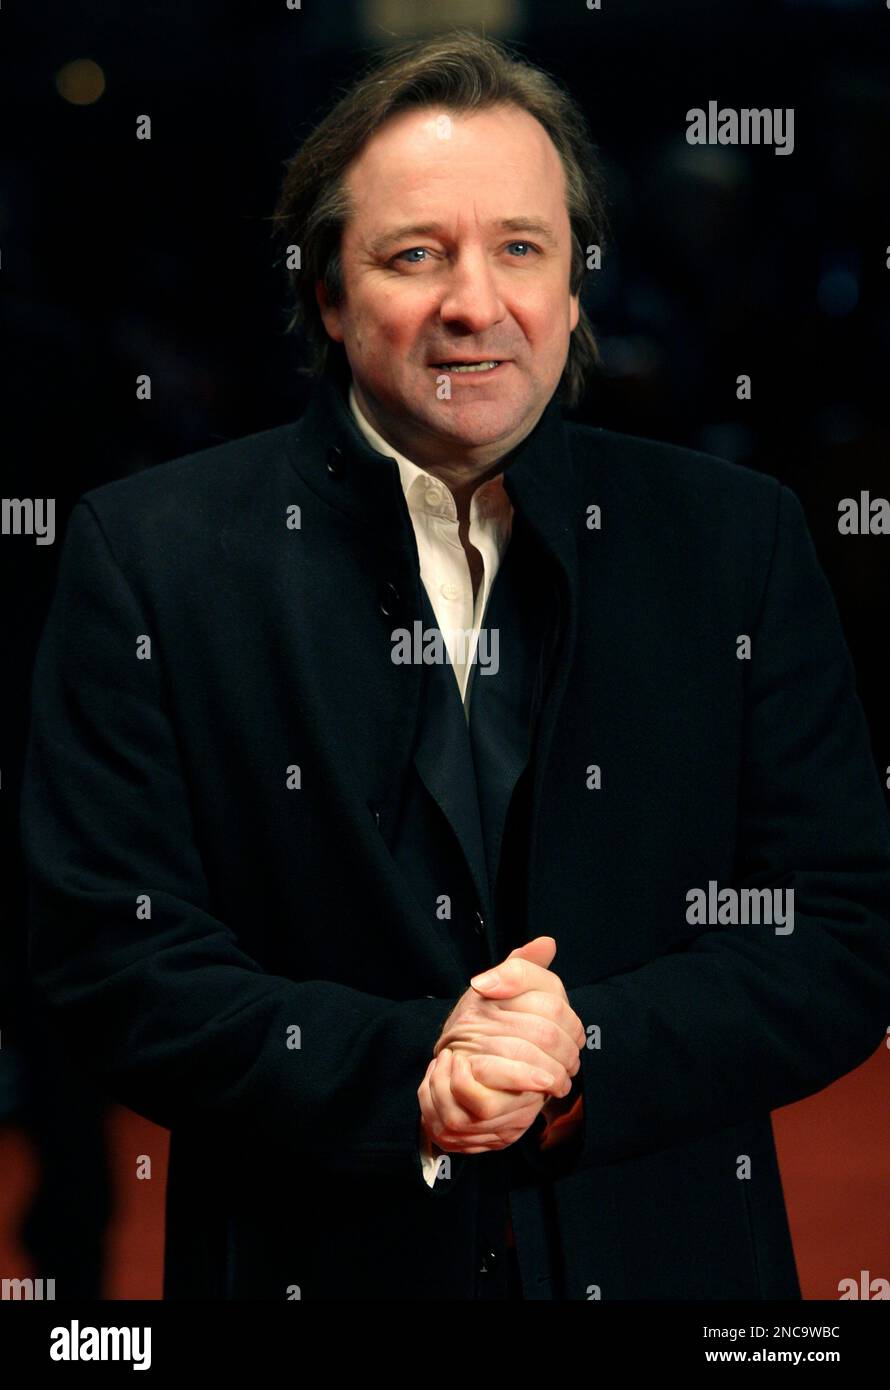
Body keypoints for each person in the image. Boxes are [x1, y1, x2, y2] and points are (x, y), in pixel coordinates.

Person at [21, 30, 890, 1301]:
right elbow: (110, 956)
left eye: (520, 248)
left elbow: (841, 930)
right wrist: (414, 1070)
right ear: (328, 293)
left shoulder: (735, 539)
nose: (475, 302)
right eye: (415, 253)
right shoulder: (150, 556)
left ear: (576, 286)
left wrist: (586, 1046)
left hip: (672, 1268)